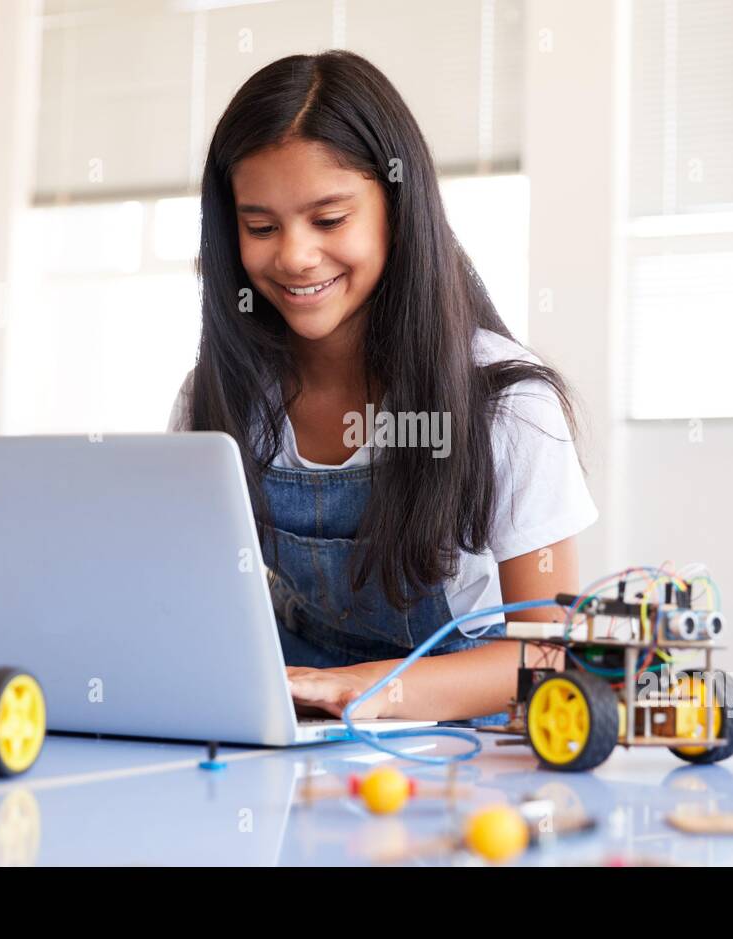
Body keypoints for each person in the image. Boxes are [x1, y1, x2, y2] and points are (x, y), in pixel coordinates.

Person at [168, 50, 597, 724]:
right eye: (260, 227)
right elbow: (195, 609)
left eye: (330, 220)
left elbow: (550, 654)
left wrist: (368, 688)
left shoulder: (505, 402)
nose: (294, 256)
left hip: (458, 750)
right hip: (293, 736)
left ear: (399, 209)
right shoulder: (216, 400)